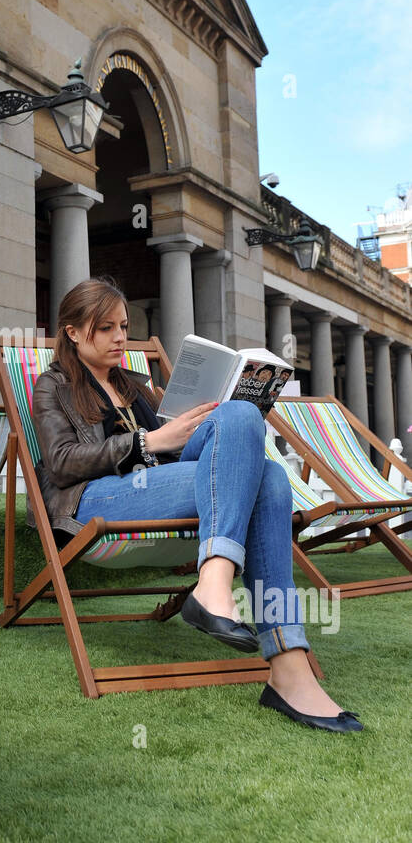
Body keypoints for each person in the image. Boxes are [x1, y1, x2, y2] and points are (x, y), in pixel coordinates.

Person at [30, 276, 362, 733]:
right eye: (104, 328)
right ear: (72, 331)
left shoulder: (135, 385)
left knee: (248, 429)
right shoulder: (55, 386)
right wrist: (149, 440)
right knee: (269, 479)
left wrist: (194, 420)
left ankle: (243, 618)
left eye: (123, 326)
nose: (120, 337)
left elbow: (175, 449)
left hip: (165, 486)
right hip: (96, 501)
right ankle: (283, 660)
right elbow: (62, 463)